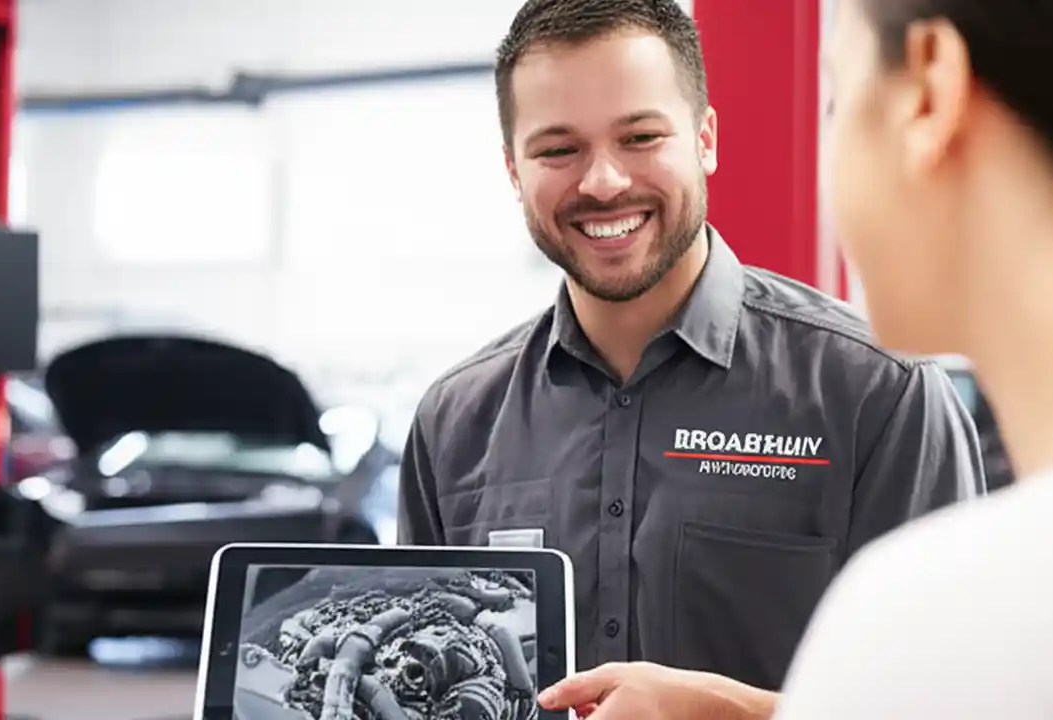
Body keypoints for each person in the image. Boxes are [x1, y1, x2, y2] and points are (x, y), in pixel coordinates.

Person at [538, 0, 1053, 718]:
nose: (602, 182)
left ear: (929, 93)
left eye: (836, 97)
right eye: (558, 149)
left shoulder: (970, 602)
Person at [398, 0, 985, 702]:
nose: (604, 181)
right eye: (558, 150)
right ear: (512, 169)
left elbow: (964, 701)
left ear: (704, 139)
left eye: (641, 137)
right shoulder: (453, 425)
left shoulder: (878, 396)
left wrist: (730, 712)